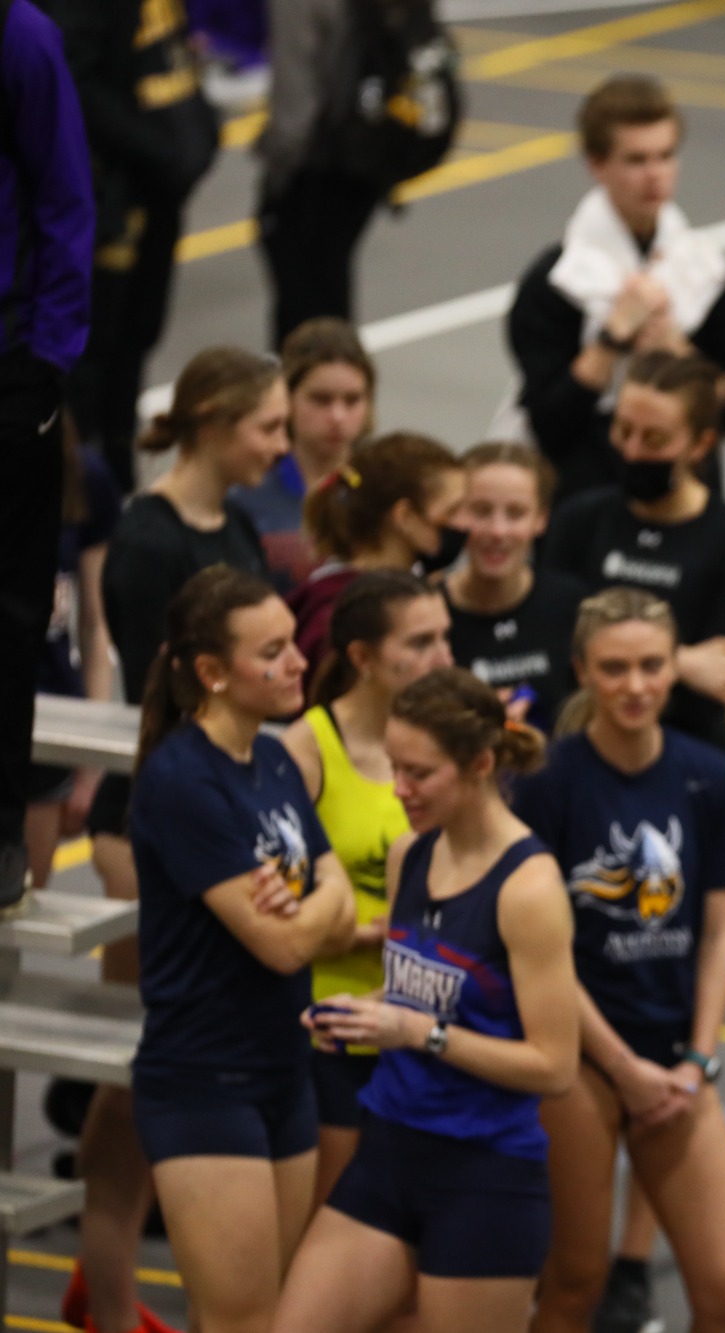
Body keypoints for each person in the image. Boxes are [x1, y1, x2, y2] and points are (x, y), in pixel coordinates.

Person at [71, 347, 286, 1333]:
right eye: (267, 426)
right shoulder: (149, 538)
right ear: (212, 420)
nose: (279, 445)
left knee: (170, 1057)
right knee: (148, 1060)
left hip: (230, 805)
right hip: (149, 820)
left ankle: (123, 1279)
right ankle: (108, 1286)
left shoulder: (233, 522)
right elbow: (163, 697)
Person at [274, 668, 579, 1333]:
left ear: (480, 765)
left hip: (483, 1174)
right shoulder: (410, 855)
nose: (398, 789)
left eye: (419, 773)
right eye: (394, 767)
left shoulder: (528, 888)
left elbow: (555, 1065)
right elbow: (422, 989)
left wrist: (418, 1033)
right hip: (388, 1151)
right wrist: (361, 1012)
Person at [514, 589, 725, 1333]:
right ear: (582, 671)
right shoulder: (547, 782)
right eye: (614, 668)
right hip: (580, 1060)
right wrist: (623, 1068)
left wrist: (697, 1061)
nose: (635, 685)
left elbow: (719, 931)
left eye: (652, 665)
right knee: (574, 1284)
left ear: (673, 667)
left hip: (675, 1062)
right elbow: (541, 954)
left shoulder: (704, 773)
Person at [128, 565, 357, 1333]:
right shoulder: (184, 781)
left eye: (292, 643)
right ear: (212, 673)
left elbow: (341, 901)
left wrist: (311, 907)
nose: (299, 661)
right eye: (273, 652)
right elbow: (284, 947)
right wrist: (316, 909)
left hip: (284, 1071)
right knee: (242, 1320)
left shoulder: (277, 760)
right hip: (204, 1082)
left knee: (266, 1312)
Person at [280, 571, 453, 1211]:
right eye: (421, 642)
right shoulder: (308, 750)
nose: (444, 658)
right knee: (336, 1221)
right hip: (334, 1028)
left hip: (425, 1021)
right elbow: (270, 910)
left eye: (445, 637)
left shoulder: (448, 742)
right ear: (363, 657)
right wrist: (360, 933)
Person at [508, 75, 725, 502]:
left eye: (666, 155)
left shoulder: (711, 273)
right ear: (597, 165)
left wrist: (675, 348)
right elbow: (548, 426)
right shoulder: (555, 282)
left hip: (692, 498)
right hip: (586, 499)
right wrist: (610, 340)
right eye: (636, 160)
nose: (655, 174)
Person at [544, 353, 725, 755]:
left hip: (689, 752)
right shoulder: (577, 520)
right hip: (582, 744)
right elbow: (554, 642)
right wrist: (682, 662)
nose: (632, 451)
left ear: (700, 444)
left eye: (655, 439)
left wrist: (604, 657)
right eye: (623, 430)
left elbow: (719, 677)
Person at [41, 0, 219, 492]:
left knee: (135, 341)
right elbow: (74, 82)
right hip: (106, 199)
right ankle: (82, 492)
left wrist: (199, 134)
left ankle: (118, 477)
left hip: (156, 193)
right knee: (90, 360)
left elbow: (171, 56)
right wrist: (161, 151)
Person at [0, 0, 92, 914]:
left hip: (6, 370)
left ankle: (0, 831)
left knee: (9, 615)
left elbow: (65, 200)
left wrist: (45, 362)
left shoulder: (17, 35)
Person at [254, 0, 387, 344]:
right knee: (332, 285)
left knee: (304, 310)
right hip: (364, 153)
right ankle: (339, 368)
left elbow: (295, 107)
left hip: (316, 169)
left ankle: (311, 374)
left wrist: (276, 171)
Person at [25, 421, 119, 890]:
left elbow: (95, 625)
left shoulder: (80, 473)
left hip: (45, 729)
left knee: (20, 904)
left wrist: (90, 762)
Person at [290, 431, 468, 675]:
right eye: (452, 511)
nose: (466, 524)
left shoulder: (412, 586)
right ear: (405, 516)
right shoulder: (337, 616)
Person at [445, 444, 587, 734]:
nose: (498, 531)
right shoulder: (431, 611)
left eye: (516, 513)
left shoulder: (570, 603)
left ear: (541, 519)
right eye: (481, 511)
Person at [237, 318, 377, 593]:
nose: (337, 416)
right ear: (287, 398)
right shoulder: (247, 491)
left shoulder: (384, 488)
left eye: (352, 400)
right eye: (321, 399)